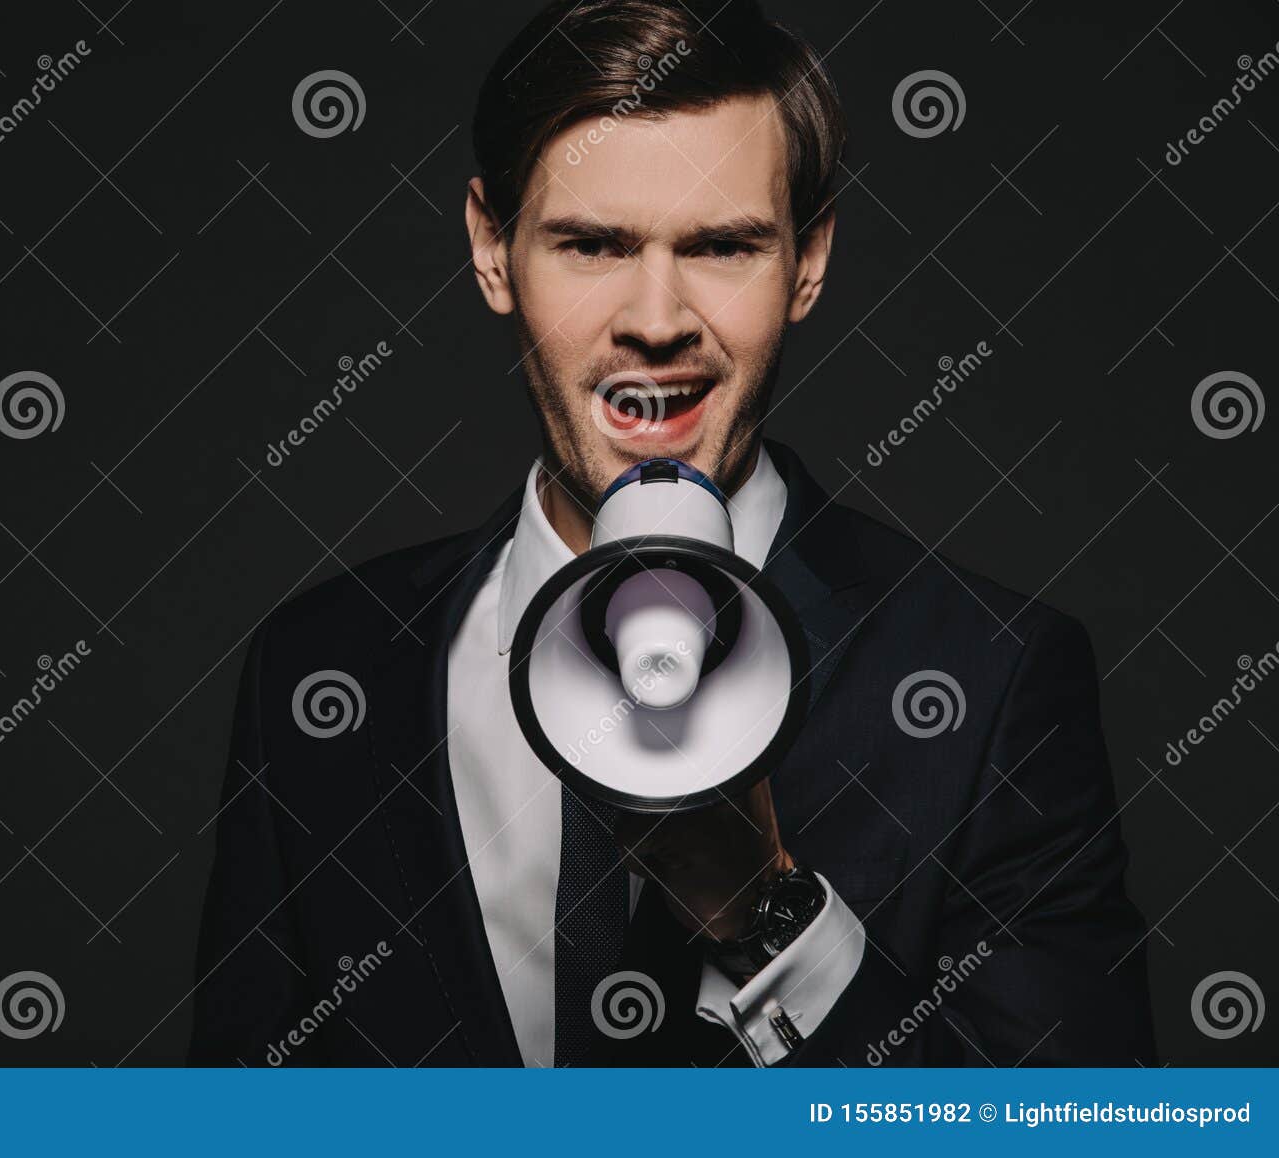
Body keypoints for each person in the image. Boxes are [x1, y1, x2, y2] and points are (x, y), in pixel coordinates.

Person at [188, 0, 1154, 1066]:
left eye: (723, 246)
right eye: (592, 244)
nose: (656, 319)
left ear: (808, 259)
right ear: (493, 249)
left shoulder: (990, 676)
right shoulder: (321, 669)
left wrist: (765, 913)